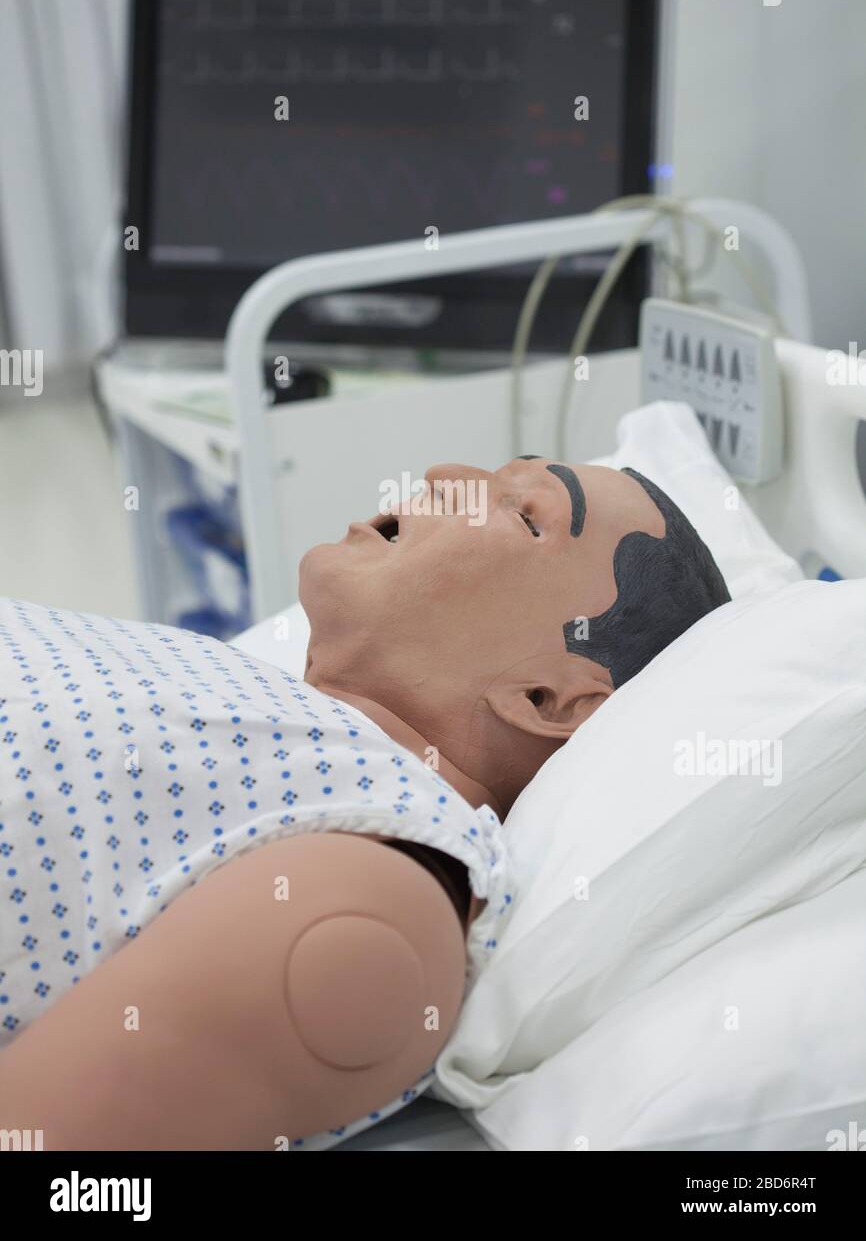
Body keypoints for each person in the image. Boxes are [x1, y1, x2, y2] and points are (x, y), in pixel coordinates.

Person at [0, 458, 729, 1150]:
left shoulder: (377, 898)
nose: (447, 474)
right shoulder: (255, 704)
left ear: (546, 697)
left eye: (527, 515)